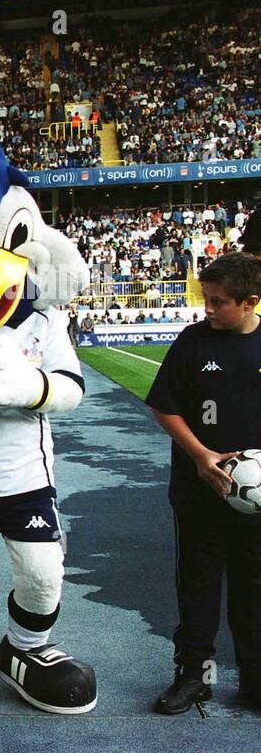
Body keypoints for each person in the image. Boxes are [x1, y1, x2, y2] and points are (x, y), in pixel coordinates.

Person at [145, 252, 261, 713]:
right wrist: (202, 456)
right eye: (205, 300)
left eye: (217, 302)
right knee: (198, 587)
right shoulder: (193, 342)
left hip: (255, 503)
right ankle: (194, 676)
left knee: (254, 589)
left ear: (250, 301)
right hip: (198, 494)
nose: (207, 309)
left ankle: (254, 680)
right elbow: (164, 406)